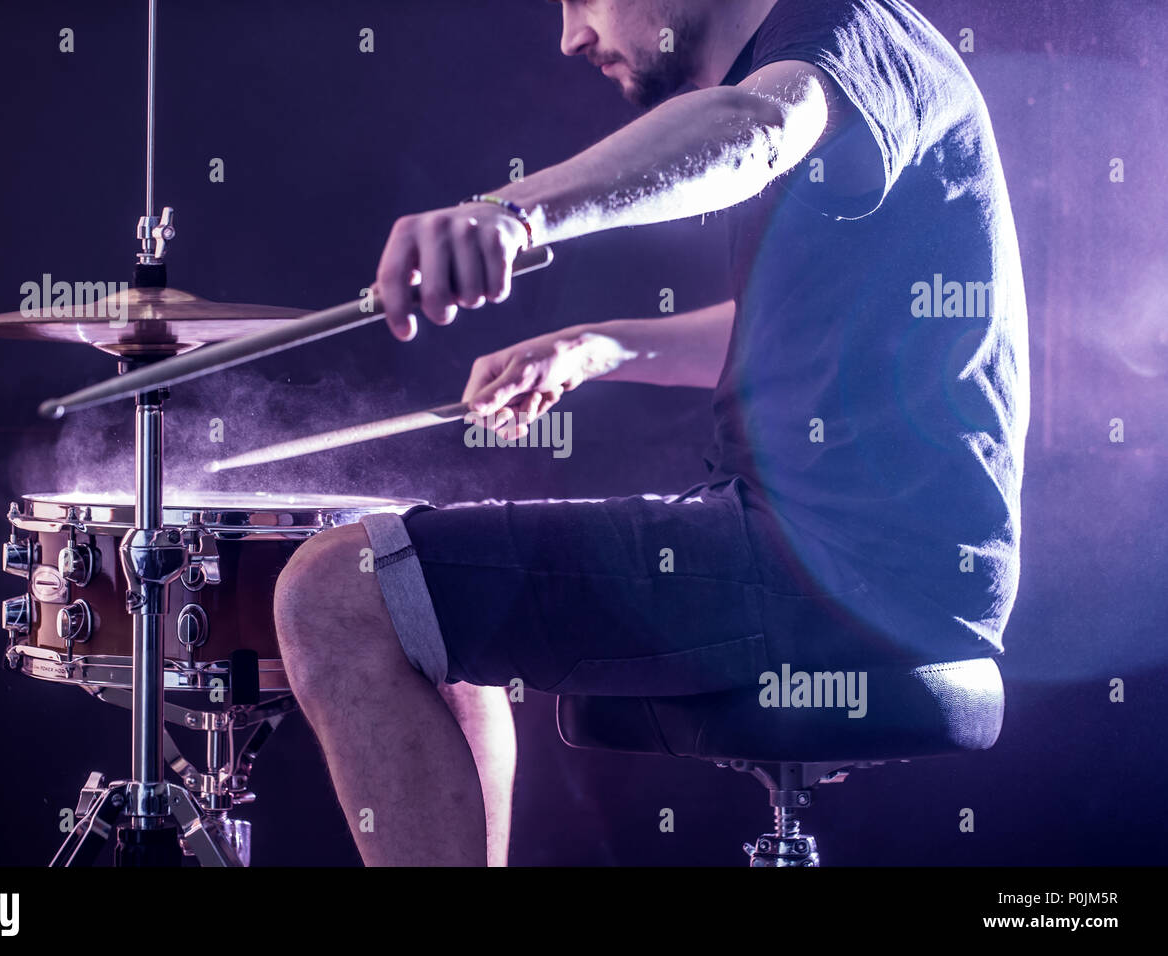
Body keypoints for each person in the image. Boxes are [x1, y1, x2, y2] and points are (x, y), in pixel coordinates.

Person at [273, 0, 1029, 867]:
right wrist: (596, 347)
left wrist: (514, 215)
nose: (570, 36)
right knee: (415, 600)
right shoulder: (847, 64)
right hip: (858, 568)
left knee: (336, 589)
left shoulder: (838, 35)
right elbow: (791, 337)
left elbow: (755, 127)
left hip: (835, 573)